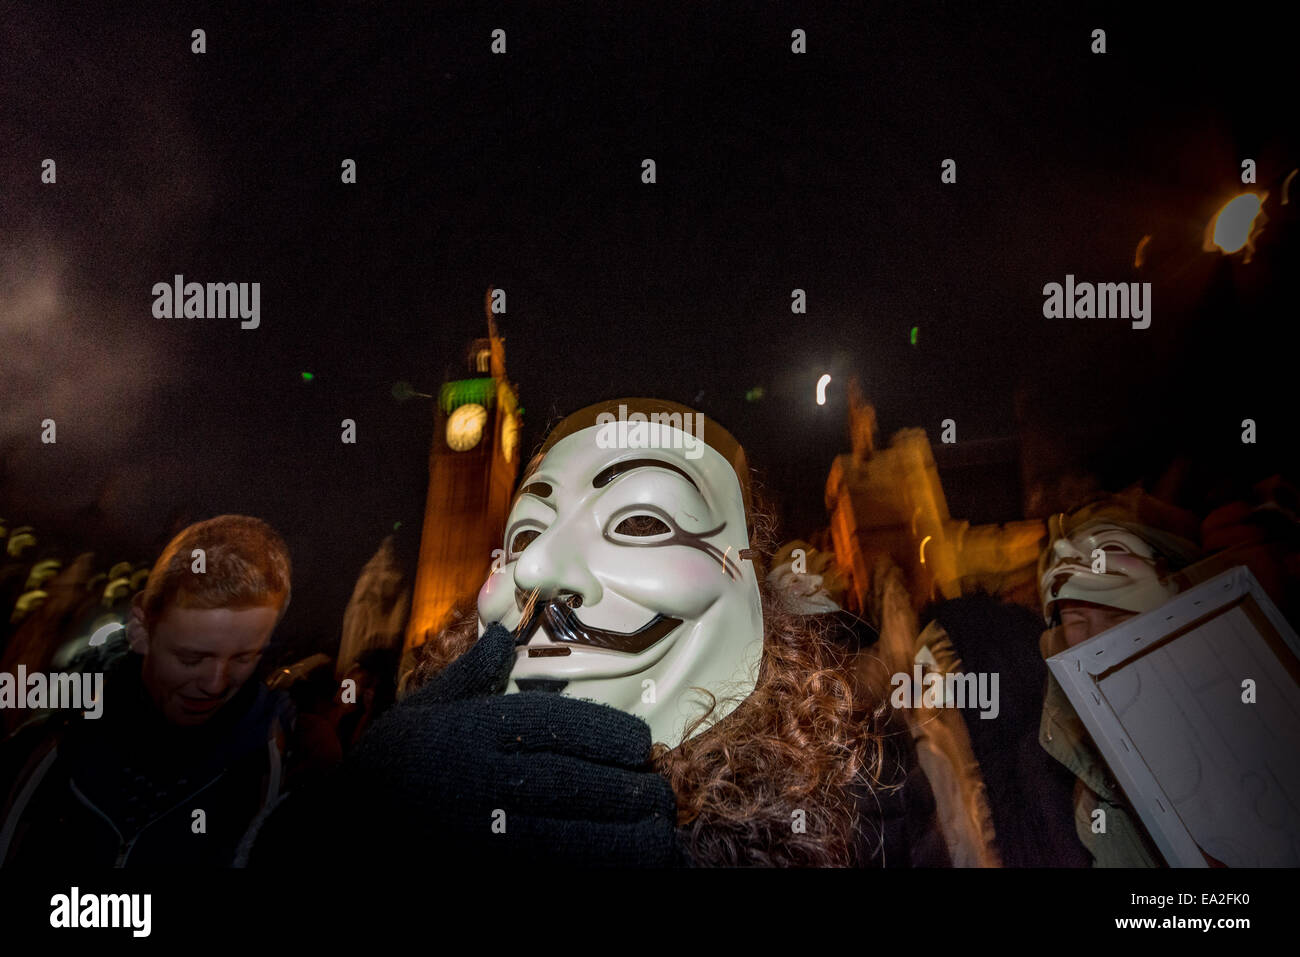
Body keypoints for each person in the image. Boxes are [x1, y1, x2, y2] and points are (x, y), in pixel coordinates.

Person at [249, 398, 927, 867]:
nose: (537, 565)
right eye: (523, 535)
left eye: (639, 523)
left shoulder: (866, 819)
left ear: (754, 587)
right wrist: (345, 831)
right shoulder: (396, 807)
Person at [0, 514, 315, 867]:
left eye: (244, 657)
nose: (216, 684)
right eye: (190, 657)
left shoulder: (283, 775)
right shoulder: (45, 749)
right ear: (141, 629)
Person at [1035, 492, 1199, 866]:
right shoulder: (1084, 766)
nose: (1096, 641)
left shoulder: (1233, 725)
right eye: (1077, 619)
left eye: (1117, 614)